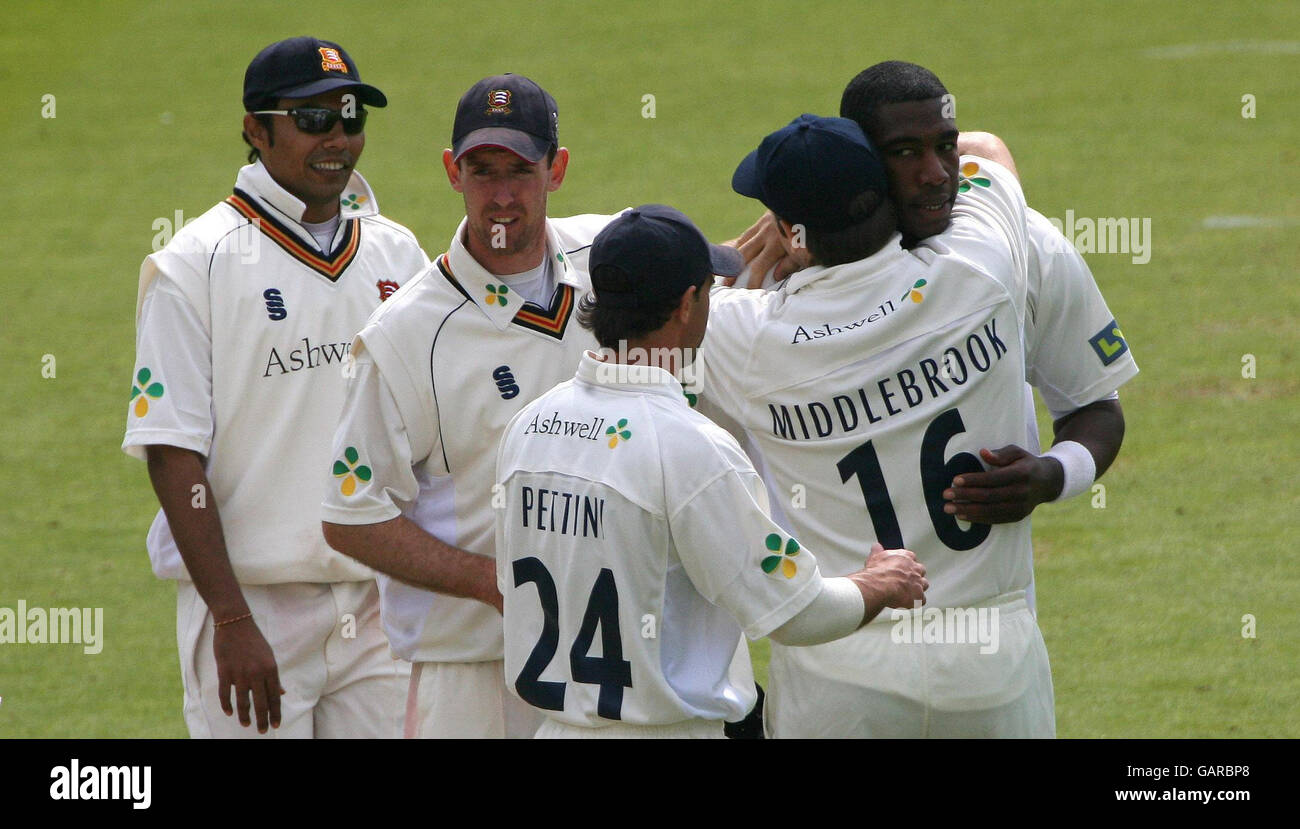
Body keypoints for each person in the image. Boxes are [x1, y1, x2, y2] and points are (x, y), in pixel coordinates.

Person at [493, 204, 929, 737]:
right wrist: (879, 582)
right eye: (707, 290)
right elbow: (797, 612)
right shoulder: (695, 450)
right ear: (685, 305)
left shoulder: (529, 426)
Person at [697, 112, 1065, 737]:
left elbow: (684, 302)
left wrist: (761, 252)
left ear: (791, 231)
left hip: (840, 664)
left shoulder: (742, 335)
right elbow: (985, 147)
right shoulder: (979, 263)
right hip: (989, 658)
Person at [123, 36, 427, 737]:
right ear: (256, 129)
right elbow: (172, 454)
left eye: (352, 117)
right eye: (313, 118)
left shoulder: (396, 253)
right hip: (251, 605)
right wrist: (231, 618)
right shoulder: (192, 265)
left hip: (376, 608)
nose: (339, 139)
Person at [319, 73, 620, 738]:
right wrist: (494, 583)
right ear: (453, 172)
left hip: (614, 653)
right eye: (483, 171)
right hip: (473, 677)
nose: (503, 195)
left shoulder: (613, 257)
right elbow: (350, 516)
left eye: (521, 170)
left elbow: (707, 277)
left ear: (558, 169)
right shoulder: (404, 337)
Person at [837, 61, 1136, 529]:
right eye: (904, 153)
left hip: (997, 599)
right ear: (858, 160)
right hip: (841, 598)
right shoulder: (801, 268)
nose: (935, 173)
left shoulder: (1027, 244)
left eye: (945, 147)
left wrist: (1051, 474)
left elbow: (1094, 406)